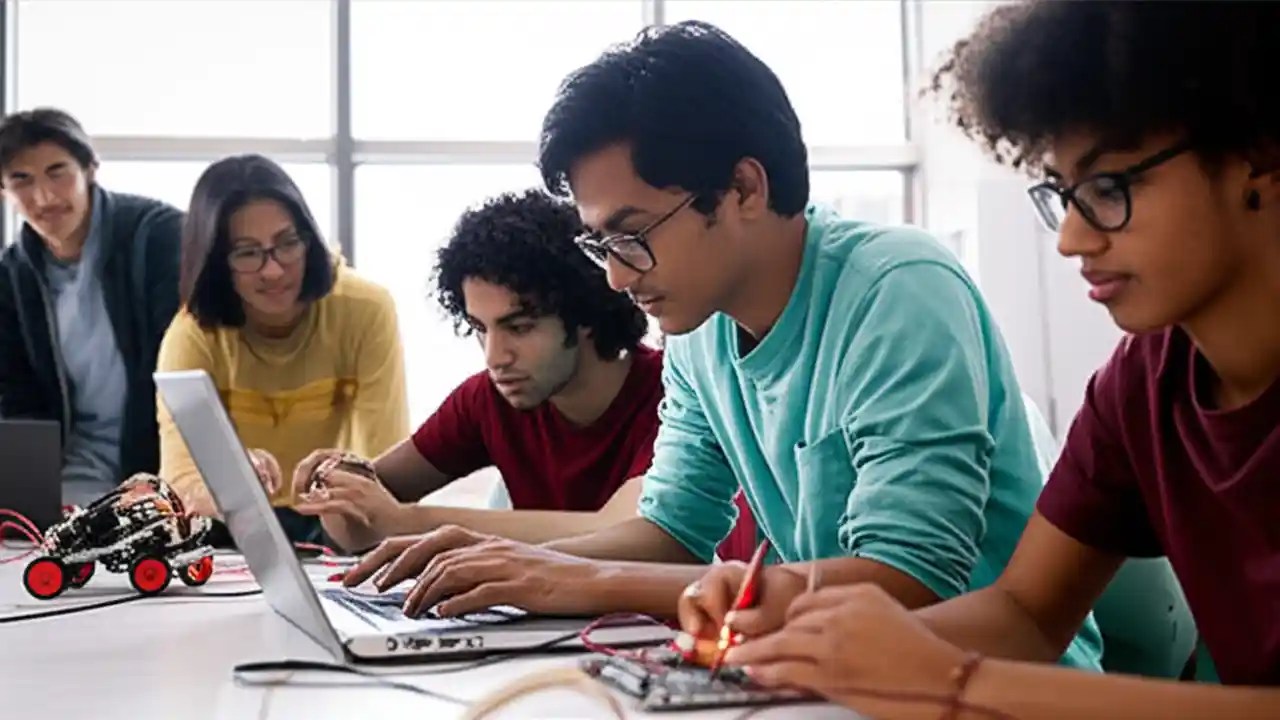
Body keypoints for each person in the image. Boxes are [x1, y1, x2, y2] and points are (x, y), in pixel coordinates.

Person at [340, 21, 1101, 670]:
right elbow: (672, 531)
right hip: (825, 667)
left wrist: (573, 581)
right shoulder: (699, 330)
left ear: (742, 188)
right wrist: (526, 565)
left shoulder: (896, 289)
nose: (611, 276)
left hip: (978, 681)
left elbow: (905, 577)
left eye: (631, 236)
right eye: (598, 240)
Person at [713, 2, 1280, 718]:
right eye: (1064, 195)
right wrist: (815, 641)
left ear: (1257, 153)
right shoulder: (1142, 383)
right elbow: (1026, 613)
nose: (1071, 239)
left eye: (1109, 190)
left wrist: (955, 681)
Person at [289, 188, 759, 559]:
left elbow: (624, 528)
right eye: (479, 328)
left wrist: (409, 521)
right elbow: (370, 507)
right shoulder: (487, 399)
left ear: (585, 315)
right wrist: (338, 485)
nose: (495, 355)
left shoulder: (670, 392)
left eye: (519, 327)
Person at [156, 154, 408, 544]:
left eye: (287, 244)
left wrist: (344, 493)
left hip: (336, 521)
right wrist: (235, 484)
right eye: (247, 253)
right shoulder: (191, 336)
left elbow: (386, 458)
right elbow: (180, 481)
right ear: (216, 262)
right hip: (235, 526)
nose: (273, 271)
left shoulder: (366, 309)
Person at [0, 107, 183, 507]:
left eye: (57, 172)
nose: (44, 197)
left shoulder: (157, 235)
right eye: (21, 180)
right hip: (77, 465)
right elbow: (17, 399)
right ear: (4, 191)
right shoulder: (12, 276)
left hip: (163, 456)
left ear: (90, 168)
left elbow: (182, 364)